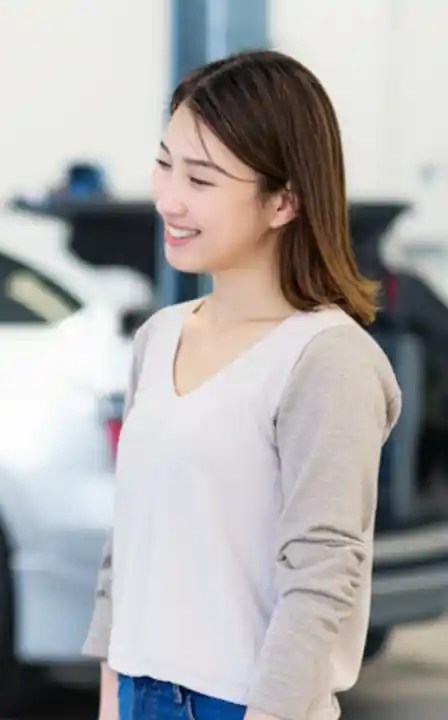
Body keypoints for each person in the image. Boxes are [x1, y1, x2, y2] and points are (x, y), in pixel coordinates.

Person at [83, 50, 402, 720]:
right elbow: (130, 540)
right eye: (165, 163)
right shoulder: (160, 336)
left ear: (284, 199)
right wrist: (113, 692)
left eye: (201, 179)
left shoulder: (327, 359)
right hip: (140, 693)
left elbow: (321, 580)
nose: (169, 197)